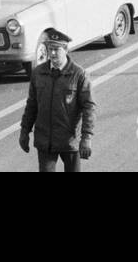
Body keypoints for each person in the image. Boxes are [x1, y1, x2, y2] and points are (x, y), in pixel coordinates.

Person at [19, 28, 95, 172]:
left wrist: (86, 137)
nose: (52, 53)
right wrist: (24, 130)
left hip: (69, 141)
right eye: (49, 49)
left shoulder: (79, 75)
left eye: (56, 49)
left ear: (66, 50)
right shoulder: (38, 73)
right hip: (45, 141)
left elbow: (89, 107)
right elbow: (32, 105)